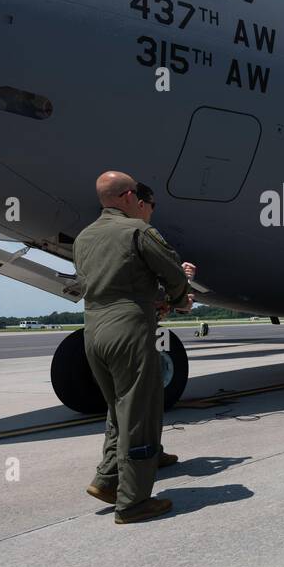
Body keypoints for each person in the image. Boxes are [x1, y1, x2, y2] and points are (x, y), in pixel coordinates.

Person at [73, 172, 191, 524]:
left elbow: (111, 281)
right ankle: (133, 502)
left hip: (94, 331)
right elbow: (172, 275)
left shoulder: (84, 238)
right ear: (127, 196)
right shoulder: (137, 232)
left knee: (118, 408)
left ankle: (108, 480)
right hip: (129, 329)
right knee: (140, 412)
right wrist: (181, 295)